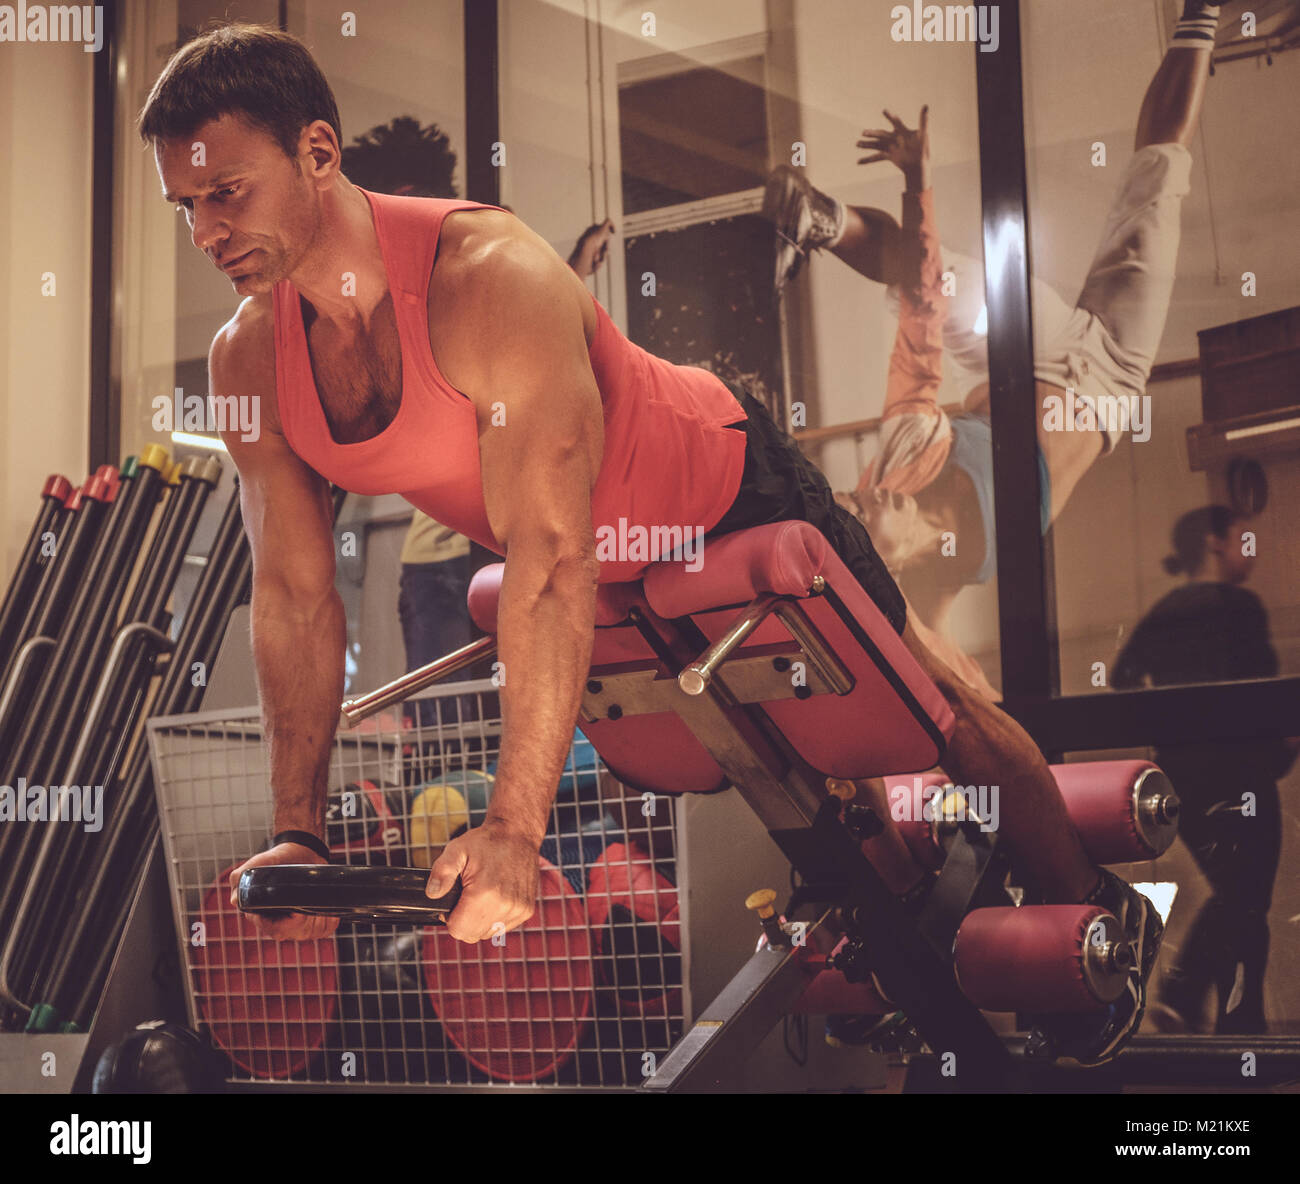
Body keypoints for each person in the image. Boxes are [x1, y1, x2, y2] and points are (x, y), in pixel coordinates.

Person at [140, 22, 1159, 1065]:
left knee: (933, 700)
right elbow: (296, 600)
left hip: (728, 488)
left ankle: (1096, 906)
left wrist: (516, 830)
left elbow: (546, 556)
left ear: (318, 151)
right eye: (185, 205)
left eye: (226, 192)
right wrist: (298, 832)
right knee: (808, 780)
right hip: (614, 570)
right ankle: (921, 924)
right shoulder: (249, 361)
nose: (206, 230)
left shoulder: (483, 274)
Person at [766, 1, 1237, 677]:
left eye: (852, 493)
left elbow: (922, 318)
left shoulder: (904, 451)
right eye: (860, 513)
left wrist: (916, 183)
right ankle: (1205, 12)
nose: (867, 491)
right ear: (880, 562)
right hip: (1109, 381)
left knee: (943, 283)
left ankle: (814, 218)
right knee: (1160, 181)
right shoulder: (936, 582)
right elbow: (950, 668)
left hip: (1018, 358)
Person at [1113, 505, 1295, 1034]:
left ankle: (1195, 1004)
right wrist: (1280, 751)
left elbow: (1123, 678)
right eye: (1245, 538)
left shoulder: (1165, 612)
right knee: (1247, 903)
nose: (1251, 549)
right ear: (1215, 543)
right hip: (1239, 777)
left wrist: (1171, 732)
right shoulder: (1240, 607)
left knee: (1235, 898)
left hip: (1181, 781)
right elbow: (1262, 697)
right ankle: (1228, 1020)